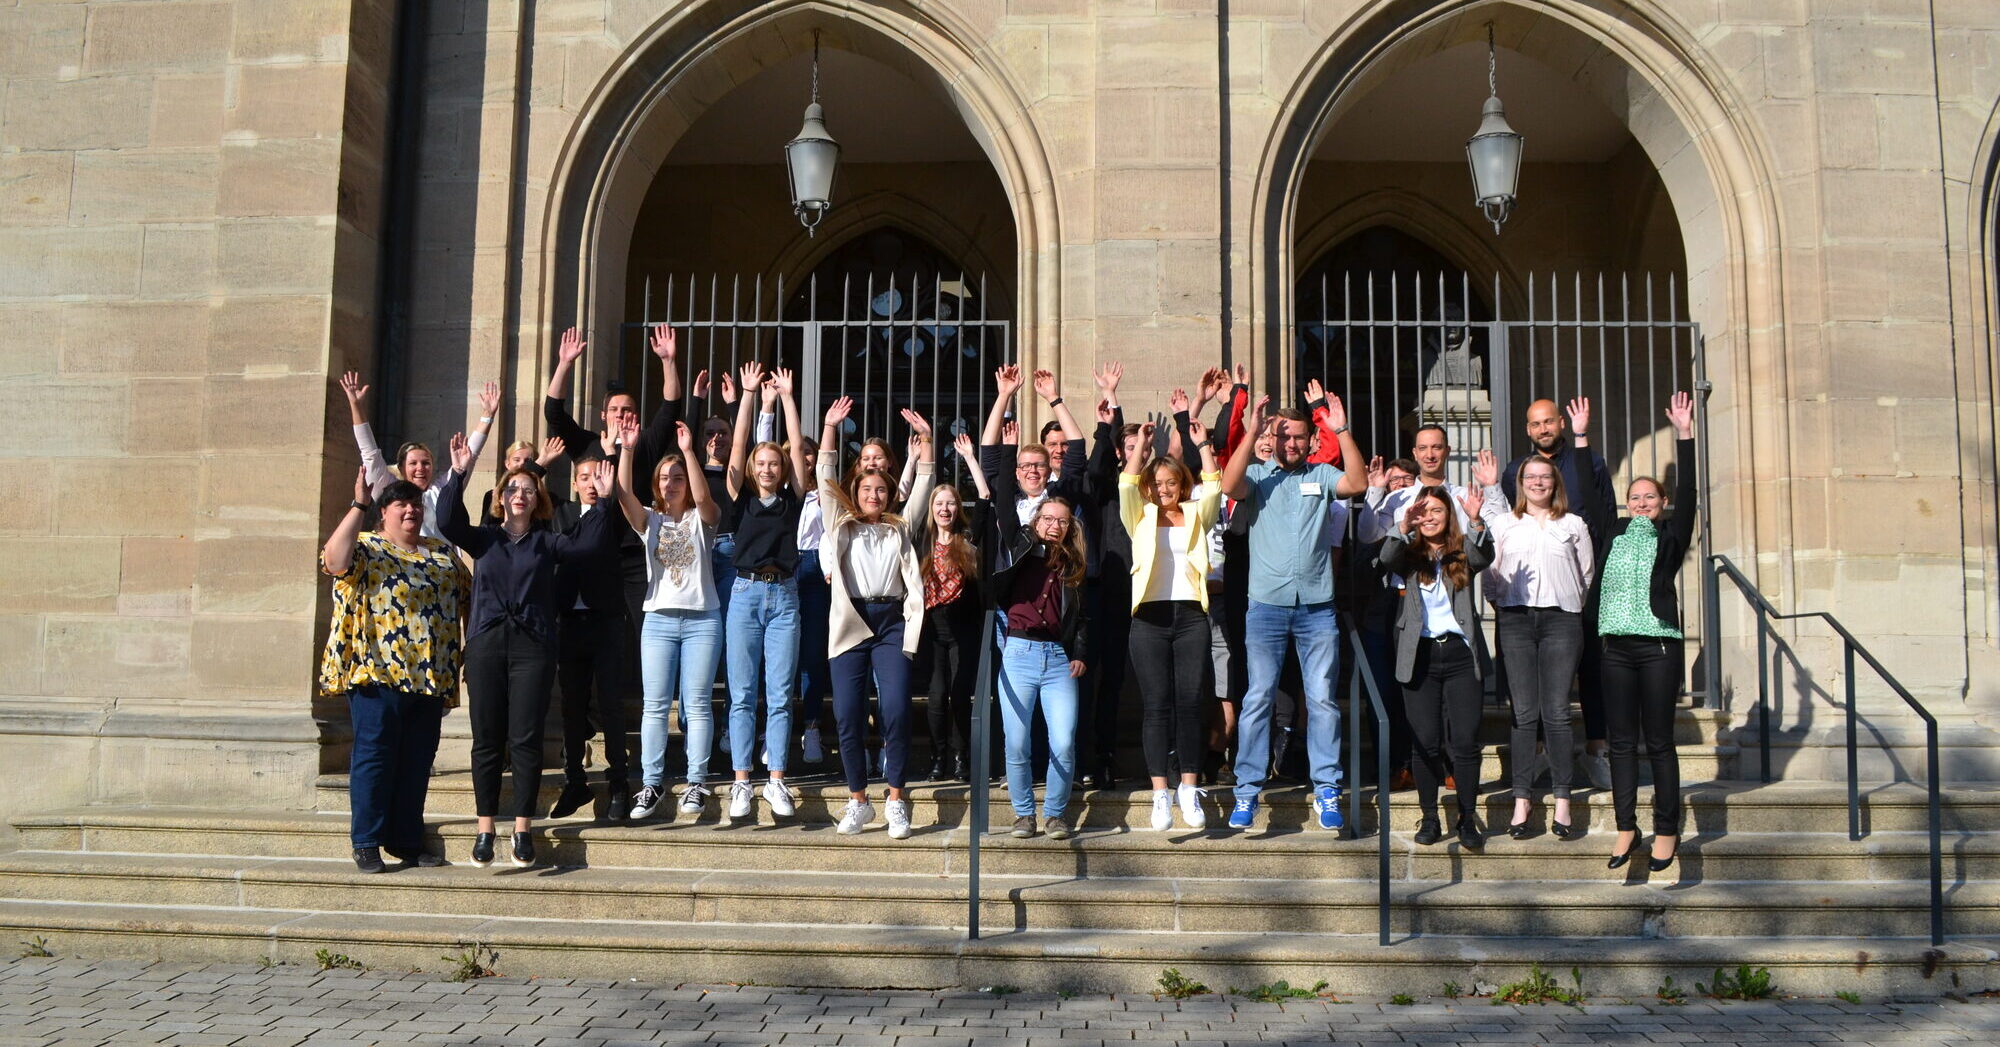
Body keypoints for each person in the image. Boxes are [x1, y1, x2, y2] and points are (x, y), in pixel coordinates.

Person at [438, 437, 620, 868]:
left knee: (524, 739)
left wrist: (603, 502)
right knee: (487, 740)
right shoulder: (484, 539)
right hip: (486, 645)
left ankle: (522, 829)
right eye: (512, 488)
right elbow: (447, 520)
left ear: (538, 500)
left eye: (528, 489)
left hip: (532, 648)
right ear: (500, 498)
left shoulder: (547, 542)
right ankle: (485, 828)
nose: (520, 494)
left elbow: (589, 546)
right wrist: (458, 474)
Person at [1218, 389, 1364, 831]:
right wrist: (1251, 432)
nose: (1292, 443)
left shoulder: (1321, 474)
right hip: (1266, 607)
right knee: (1258, 698)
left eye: (1299, 437)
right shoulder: (1258, 476)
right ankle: (1247, 791)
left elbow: (1357, 484)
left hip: (1316, 608)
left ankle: (1327, 788)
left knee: (1322, 700)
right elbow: (1228, 485)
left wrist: (1340, 428)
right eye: (1284, 437)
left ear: (1310, 440)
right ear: (1273, 439)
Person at [320, 470, 471, 873]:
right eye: (401, 504)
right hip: (377, 673)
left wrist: (471, 645)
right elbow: (334, 561)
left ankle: (405, 840)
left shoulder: (441, 553)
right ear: (383, 512)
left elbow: (471, 596)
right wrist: (359, 504)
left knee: (417, 762)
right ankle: (367, 840)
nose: (410, 510)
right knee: (375, 757)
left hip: (430, 677)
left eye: (415, 504)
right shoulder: (368, 546)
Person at [1578, 391, 1698, 874]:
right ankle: (1626, 826)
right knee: (1621, 742)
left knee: (1659, 741)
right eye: (1635, 498)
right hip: (1616, 650)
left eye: (1650, 497)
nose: (1642, 503)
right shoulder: (1613, 533)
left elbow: (1689, 492)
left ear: (1662, 503)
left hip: (1658, 648)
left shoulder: (1671, 537)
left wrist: (1685, 435)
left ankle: (1667, 828)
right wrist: (1581, 439)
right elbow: (1592, 496)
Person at [1473, 400, 1596, 841]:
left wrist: (1567, 602)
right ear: (1521, 484)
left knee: (1558, 713)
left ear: (1554, 483)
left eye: (1545, 477)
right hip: (1517, 623)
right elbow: (1490, 573)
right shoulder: (1506, 523)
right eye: (1531, 478)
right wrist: (1504, 604)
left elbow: (1585, 574)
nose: (1539, 482)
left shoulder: (1574, 524)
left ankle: (1563, 798)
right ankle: (1522, 799)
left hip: (1562, 622)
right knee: (1524, 713)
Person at [818, 397, 937, 839]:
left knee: (897, 709)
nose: (873, 495)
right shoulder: (839, 522)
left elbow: (924, 485)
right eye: (866, 489)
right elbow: (825, 474)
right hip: (851, 619)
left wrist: (927, 439)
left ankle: (896, 799)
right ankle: (858, 800)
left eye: (881, 490)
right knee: (848, 714)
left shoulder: (900, 526)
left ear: (889, 494)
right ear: (856, 493)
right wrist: (830, 428)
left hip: (891, 621)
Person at [1501, 397, 1618, 790]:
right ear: (1528, 429)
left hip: (1581, 583)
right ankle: (1535, 754)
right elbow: (1510, 523)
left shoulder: (1590, 462)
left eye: (1548, 421)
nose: (1543, 429)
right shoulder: (1516, 471)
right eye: (1535, 424)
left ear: (1561, 424)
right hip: (1528, 591)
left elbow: (1605, 517)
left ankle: (1596, 749)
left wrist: (1592, 583)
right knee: (1528, 677)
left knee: (1592, 667)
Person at [614, 417, 723, 822]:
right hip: (658, 619)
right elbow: (622, 494)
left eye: (677, 478)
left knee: (697, 704)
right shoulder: (650, 520)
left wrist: (689, 452)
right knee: (655, 706)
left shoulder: (702, 519)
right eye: (664, 478)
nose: (671, 484)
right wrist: (627, 450)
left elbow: (704, 497)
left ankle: (697, 781)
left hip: (702, 620)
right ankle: (652, 783)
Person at [719, 362, 812, 823]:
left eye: (774, 463)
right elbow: (738, 448)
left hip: (785, 598)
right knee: (742, 693)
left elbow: (795, 445)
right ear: (754, 470)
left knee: (779, 694)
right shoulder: (742, 498)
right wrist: (749, 398)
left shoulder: (792, 498)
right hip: (746, 594)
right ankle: (741, 780)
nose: (768, 468)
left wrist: (789, 399)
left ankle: (775, 778)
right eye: (762, 463)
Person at [1120, 417, 1224, 831]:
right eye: (1157, 483)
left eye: (1171, 483)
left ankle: (1189, 788)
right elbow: (1126, 484)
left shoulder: (1196, 514)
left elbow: (1213, 487)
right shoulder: (1139, 515)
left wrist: (1203, 446)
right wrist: (1141, 448)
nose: (1164, 489)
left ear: (1182, 485)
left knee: (1191, 703)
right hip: (1149, 617)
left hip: (1190, 616)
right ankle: (1160, 793)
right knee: (1157, 706)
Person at [1378, 484, 1493, 849]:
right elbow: (1386, 557)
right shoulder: (1409, 555)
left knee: (1465, 742)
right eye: (1422, 511)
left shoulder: (1462, 552)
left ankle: (1467, 818)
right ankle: (1429, 816)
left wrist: (1476, 521)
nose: (1429, 518)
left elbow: (1483, 555)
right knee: (1425, 741)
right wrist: (1403, 526)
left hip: (1460, 655)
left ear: (1448, 516)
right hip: (1420, 656)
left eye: (1436, 511)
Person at [987, 489, 1090, 841]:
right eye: (1047, 518)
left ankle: (1055, 815)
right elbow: (1003, 507)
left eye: (1062, 520)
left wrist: (1080, 652)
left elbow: (1083, 616)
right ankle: (1024, 815)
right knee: (1017, 742)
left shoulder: (1074, 564)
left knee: (1063, 741)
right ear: (1035, 521)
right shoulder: (1020, 549)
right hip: (1019, 653)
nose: (1054, 525)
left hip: (1058, 659)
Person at [546, 455, 635, 822]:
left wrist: (613, 476)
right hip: (570, 621)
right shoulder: (562, 514)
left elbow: (615, 521)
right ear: (574, 483)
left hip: (606, 621)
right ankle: (575, 780)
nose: (591, 483)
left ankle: (619, 782)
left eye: (597, 476)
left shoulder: (613, 513)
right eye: (584, 477)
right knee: (572, 705)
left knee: (611, 703)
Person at [338, 370, 497, 543]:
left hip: (439, 559)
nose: (420, 468)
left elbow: (470, 455)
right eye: (413, 463)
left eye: (426, 463)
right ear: (401, 468)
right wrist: (356, 406)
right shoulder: (388, 489)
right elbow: (369, 453)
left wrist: (487, 416)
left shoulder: (440, 492)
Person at [915, 434, 991, 781]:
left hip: (963, 629)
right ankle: (937, 758)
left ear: (957, 508)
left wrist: (971, 458)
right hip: (932, 629)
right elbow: (907, 501)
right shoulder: (921, 542)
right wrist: (916, 460)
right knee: (935, 696)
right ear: (931, 509)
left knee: (961, 695)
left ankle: (962, 759)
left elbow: (985, 498)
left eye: (950, 503)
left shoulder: (967, 540)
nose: (944, 509)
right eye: (939, 504)